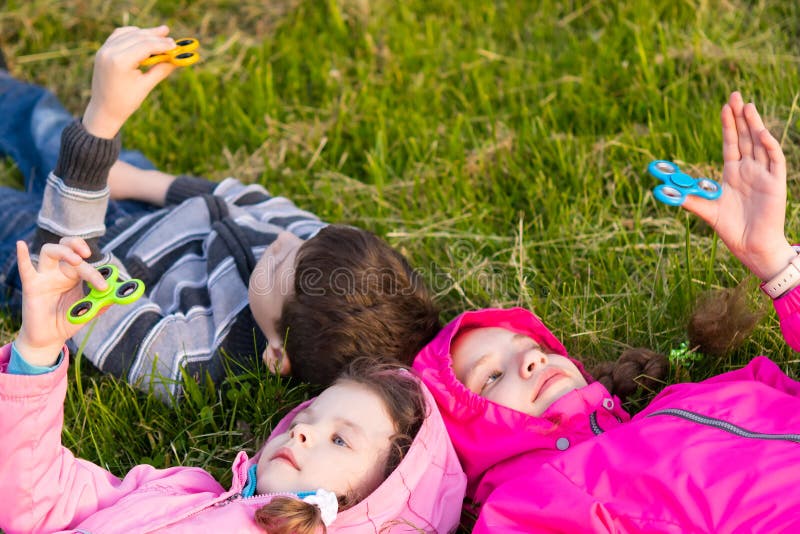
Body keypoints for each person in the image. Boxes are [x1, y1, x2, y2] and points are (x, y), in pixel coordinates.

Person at [412, 91, 800, 532]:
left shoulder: (695, 399)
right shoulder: (528, 509)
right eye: (492, 377)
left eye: (532, 345)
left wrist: (776, 262)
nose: (533, 358)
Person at [0, 26, 440, 400]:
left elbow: (69, 284)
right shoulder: (314, 251)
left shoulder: (187, 358)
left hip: (67, 261)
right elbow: (244, 199)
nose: (282, 239)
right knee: (46, 123)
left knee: (76, 147)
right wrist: (136, 181)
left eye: (281, 261)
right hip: (146, 208)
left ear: (276, 355)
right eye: (307, 238)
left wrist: (100, 126)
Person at [0, 236, 466, 533]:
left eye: (340, 439)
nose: (300, 431)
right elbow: (36, 504)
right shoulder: (184, 490)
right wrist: (36, 352)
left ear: (380, 498)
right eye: (306, 417)